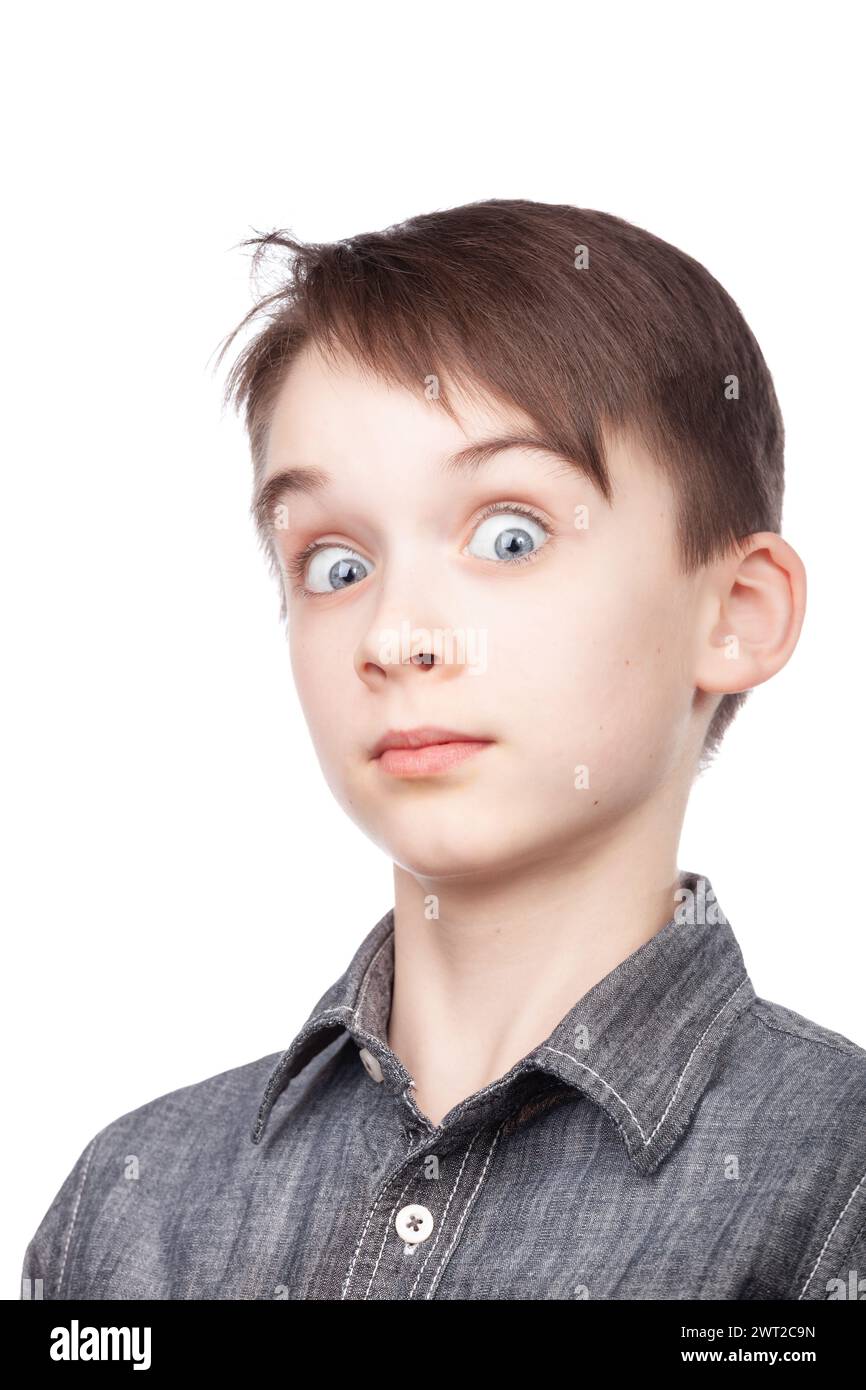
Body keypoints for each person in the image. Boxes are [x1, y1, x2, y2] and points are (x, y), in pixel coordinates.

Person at [22, 199, 866, 1300]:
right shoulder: (130, 1206)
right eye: (332, 562)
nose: (393, 636)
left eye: (507, 535)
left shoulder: (830, 1178)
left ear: (735, 611)